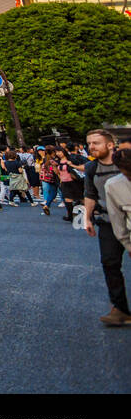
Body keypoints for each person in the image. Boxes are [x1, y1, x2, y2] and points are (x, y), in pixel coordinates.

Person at [82, 130, 130, 326]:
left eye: (96, 143)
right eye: (89, 143)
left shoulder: (124, 165)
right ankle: (120, 308)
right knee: (110, 263)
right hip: (108, 220)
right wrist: (87, 218)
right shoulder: (92, 168)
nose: (91, 147)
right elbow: (90, 194)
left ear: (110, 145)